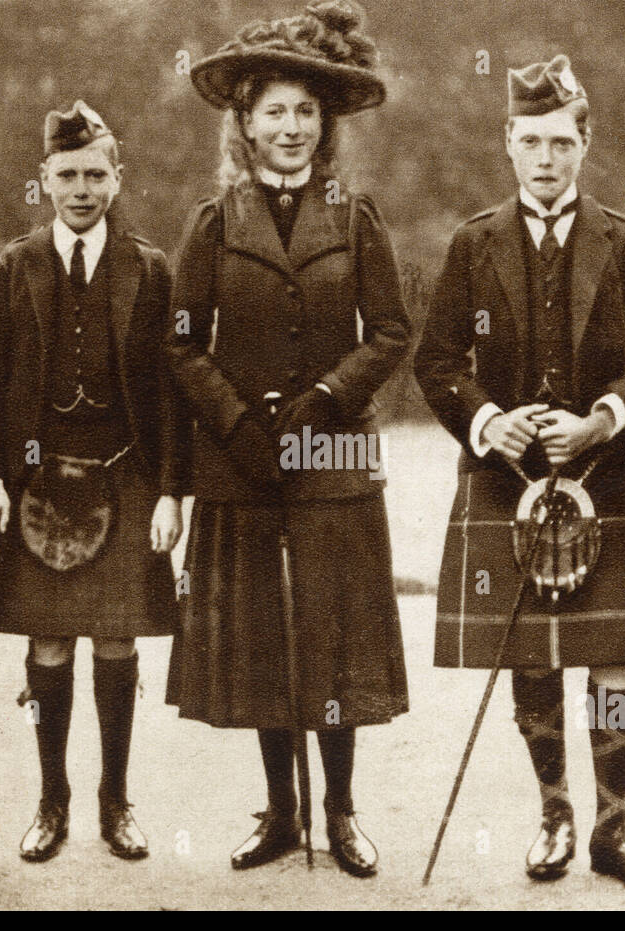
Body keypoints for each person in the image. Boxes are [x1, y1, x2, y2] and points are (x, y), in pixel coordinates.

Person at [414, 56, 625, 894]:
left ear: (585, 143)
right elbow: (437, 363)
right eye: (530, 141)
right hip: (506, 480)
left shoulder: (624, 242)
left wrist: (603, 414)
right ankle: (555, 815)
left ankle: (613, 825)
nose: (546, 158)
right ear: (508, 142)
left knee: (611, 659)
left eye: (562, 142)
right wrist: (490, 421)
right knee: (534, 658)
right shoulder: (473, 241)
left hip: (607, 476)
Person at [166, 0, 410, 877]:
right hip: (243, 461)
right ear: (246, 122)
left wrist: (326, 401)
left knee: (334, 635)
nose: (292, 127)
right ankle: (280, 810)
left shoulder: (356, 217)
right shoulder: (212, 221)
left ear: (326, 124)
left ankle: (340, 812)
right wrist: (236, 423)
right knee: (267, 633)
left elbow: (390, 332)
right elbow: (182, 341)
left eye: (306, 111)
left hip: (334, 457)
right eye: (275, 110)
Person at [0, 100, 188, 863]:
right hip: (35, 486)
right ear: (45, 181)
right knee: (50, 641)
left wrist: (171, 490)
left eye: (96, 173)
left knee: (118, 640)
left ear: (117, 178)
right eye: (68, 174)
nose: (83, 188)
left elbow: (172, 387)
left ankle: (115, 799)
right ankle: (50, 797)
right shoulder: (14, 263)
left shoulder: (151, 268)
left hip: (123, 476)